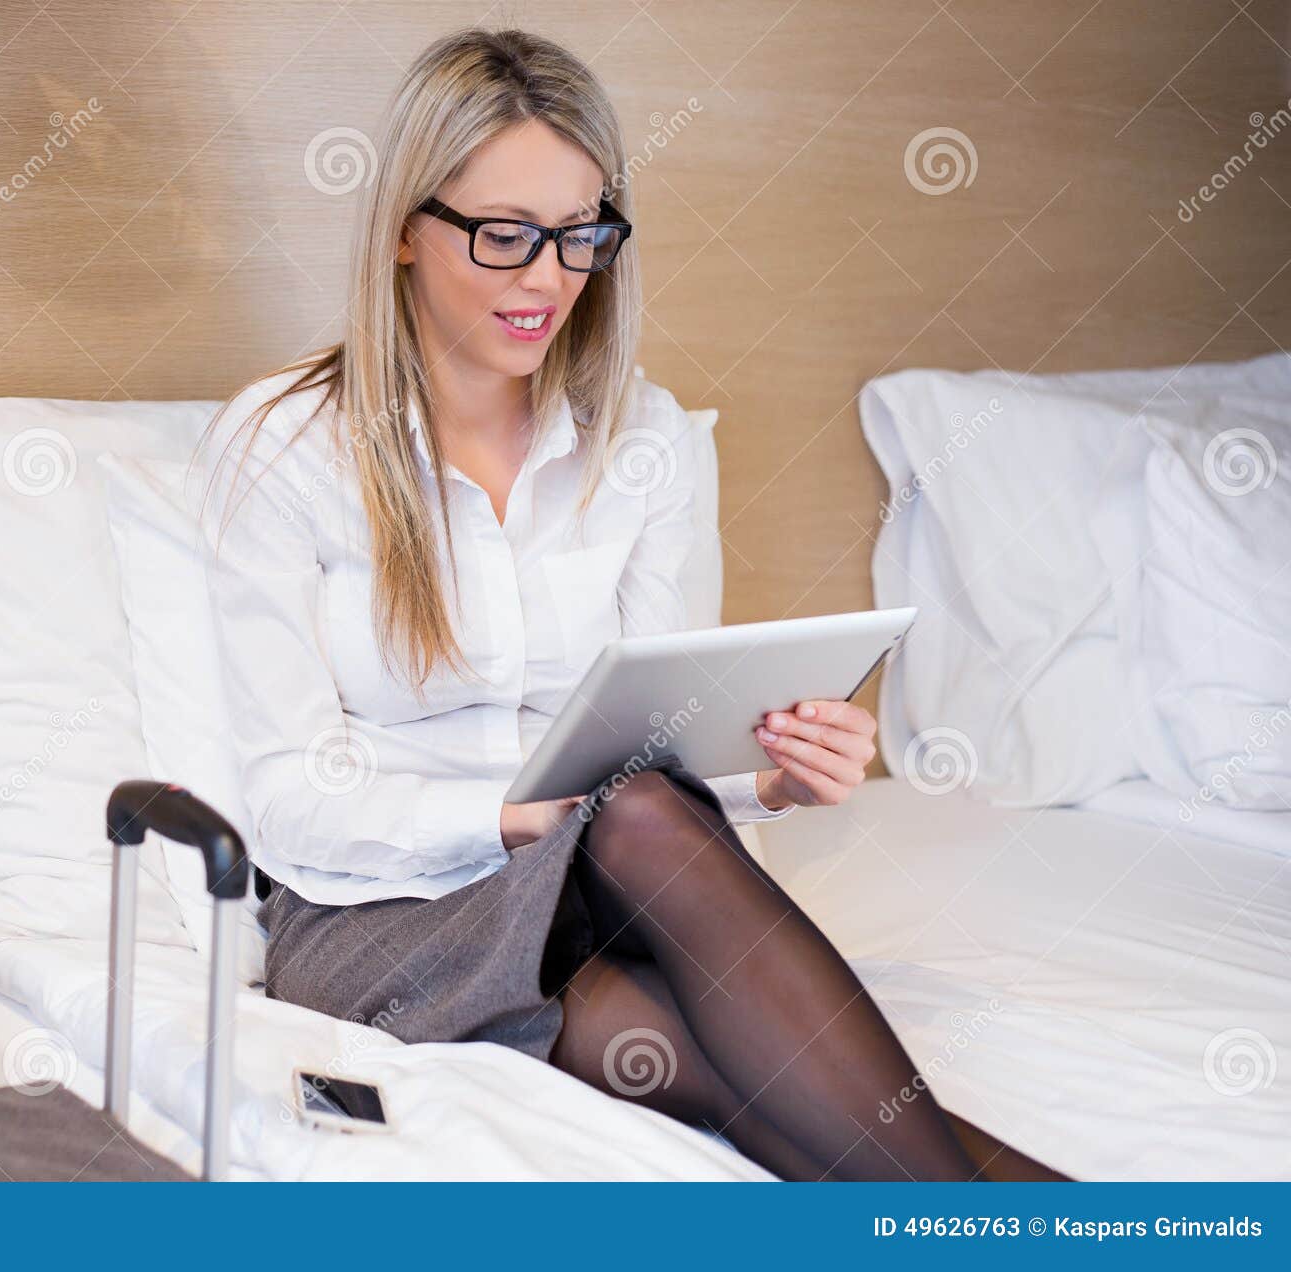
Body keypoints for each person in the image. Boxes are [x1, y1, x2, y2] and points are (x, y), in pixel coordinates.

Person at [195, 26, 1065, 1182]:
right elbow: (287, 799)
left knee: (647, 811)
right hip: (380, 911)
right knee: (699, 1032)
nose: (548, 279)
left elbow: (669, 735)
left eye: (578, 236)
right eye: (504, 237)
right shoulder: (281, 447)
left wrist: (774, 775)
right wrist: (518, 817)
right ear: (405, 228)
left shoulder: (644, 436)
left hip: (617, 871)